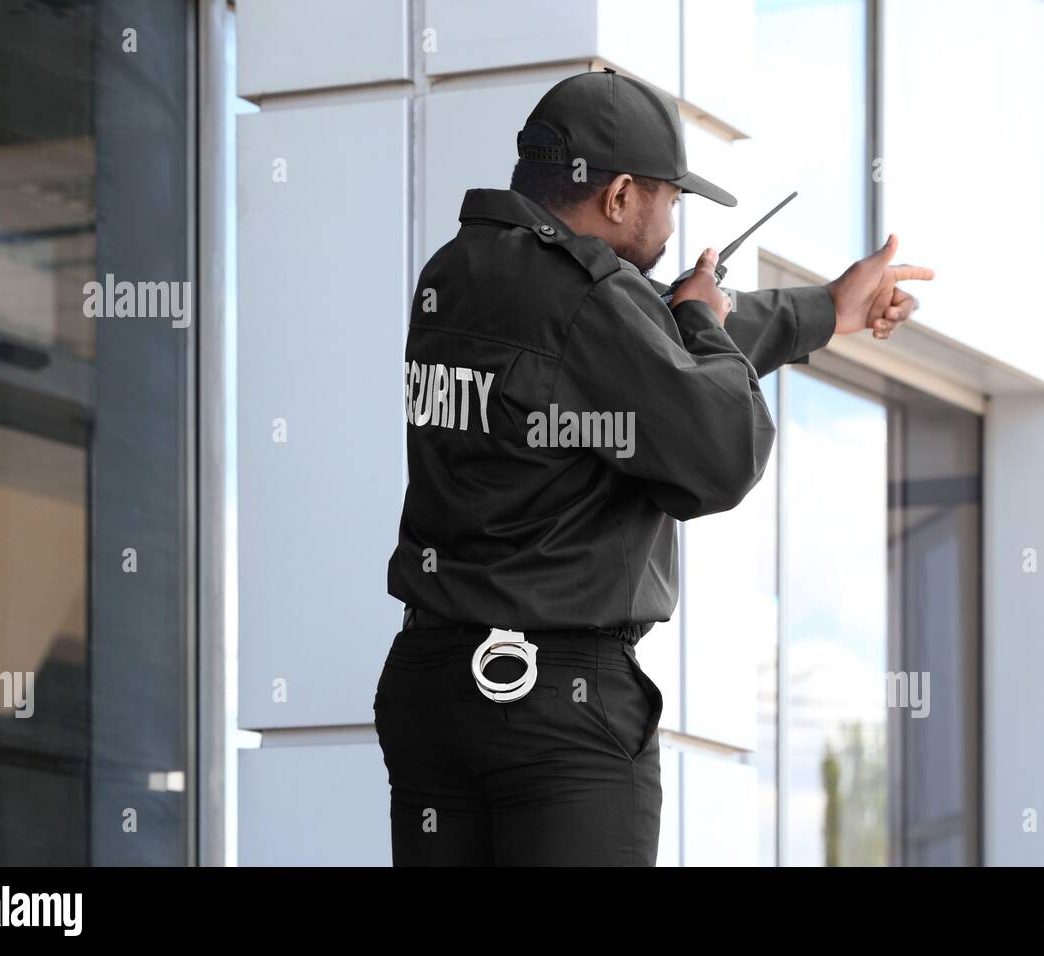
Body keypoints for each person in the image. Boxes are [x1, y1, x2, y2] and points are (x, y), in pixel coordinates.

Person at [376, 67, 933, 866]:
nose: (675, 220)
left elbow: (633, 371)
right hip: (554, 708)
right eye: (673, 198)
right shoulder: (588, 297)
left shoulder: (457, 275)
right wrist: (702, 318)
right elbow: (720, 449)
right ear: (620, 195)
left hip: (433, 692)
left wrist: (823, 311)